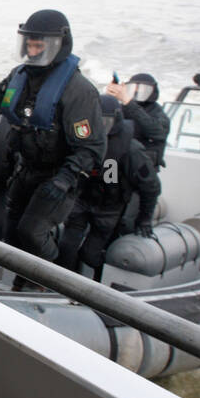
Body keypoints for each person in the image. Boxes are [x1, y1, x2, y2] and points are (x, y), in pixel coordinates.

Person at [0, 9, 106, 289]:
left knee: (32, 232)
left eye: (39, 46)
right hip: (27, 169)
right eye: (29, 45)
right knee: (11, 234)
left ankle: (50, 280)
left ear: (57, 46)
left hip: (59, 176)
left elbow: (92, 147)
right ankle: (24, 277)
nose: (32, 52)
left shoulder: (78, 90)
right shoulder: (19, 75)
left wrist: (64, 180)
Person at [57, 95, 160, 278]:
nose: (101, 126)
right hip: (82, 198)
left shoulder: (131, 150)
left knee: (91, 254)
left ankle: (96, 286)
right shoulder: (81, 136)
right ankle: (62, 283)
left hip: (110, 207)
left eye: (104, 121)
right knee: (66, 247)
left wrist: (145, 218)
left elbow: (150, 186)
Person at [105, 72, 168, 170]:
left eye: (144, 90)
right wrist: (109, 99)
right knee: (108, 181)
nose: (137, 92)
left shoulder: (158, 113)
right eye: (133, 88)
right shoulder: (122, 108)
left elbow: (157, 132)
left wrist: (127, 101)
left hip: (142, 167)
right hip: (117, 164)